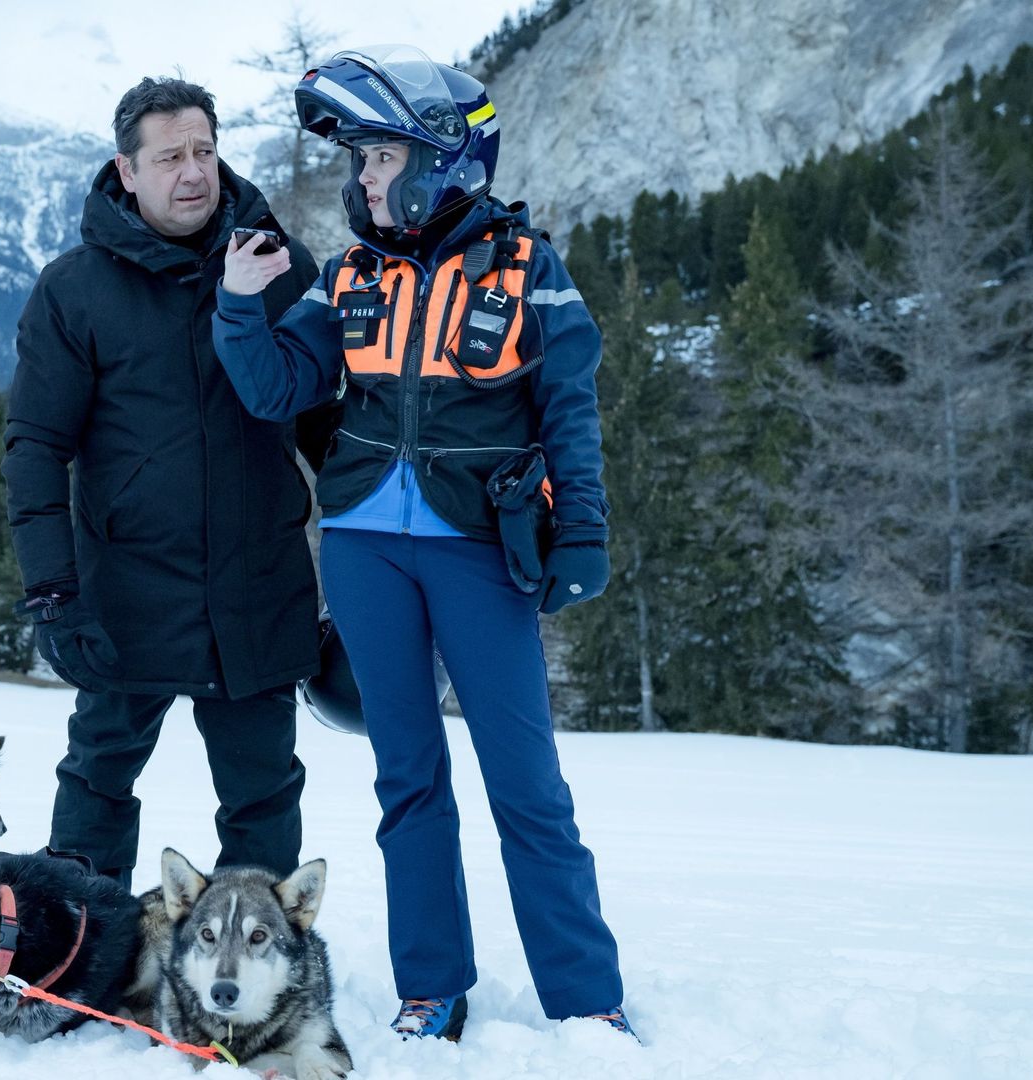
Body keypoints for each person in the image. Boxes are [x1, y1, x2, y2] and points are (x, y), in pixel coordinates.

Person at [211, 47, 635, 1043]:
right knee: (407, 778)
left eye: (378, 158)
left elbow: (570, 413)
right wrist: (239, 304)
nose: (362, 178)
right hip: (361, 549)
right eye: (358, 161)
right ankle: (431, 987)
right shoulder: (351, 276)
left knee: (526, 785)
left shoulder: (533, 272)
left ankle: (586, 996)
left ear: (443, 156)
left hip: (481, 550)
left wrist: (584, 532)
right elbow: (277, 389)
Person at [2, 77, 322, 887]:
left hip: (257, 588)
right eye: (171, 156)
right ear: (128, 169)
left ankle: (250, 982)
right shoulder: (74, 289)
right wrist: (52, 591)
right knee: (97, 782)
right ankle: (77, 955)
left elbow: (328, 426)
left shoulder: (281, 268)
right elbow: (36, 446)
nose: (193, 173)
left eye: (205, 152)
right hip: (127, 597)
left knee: (262, 796)